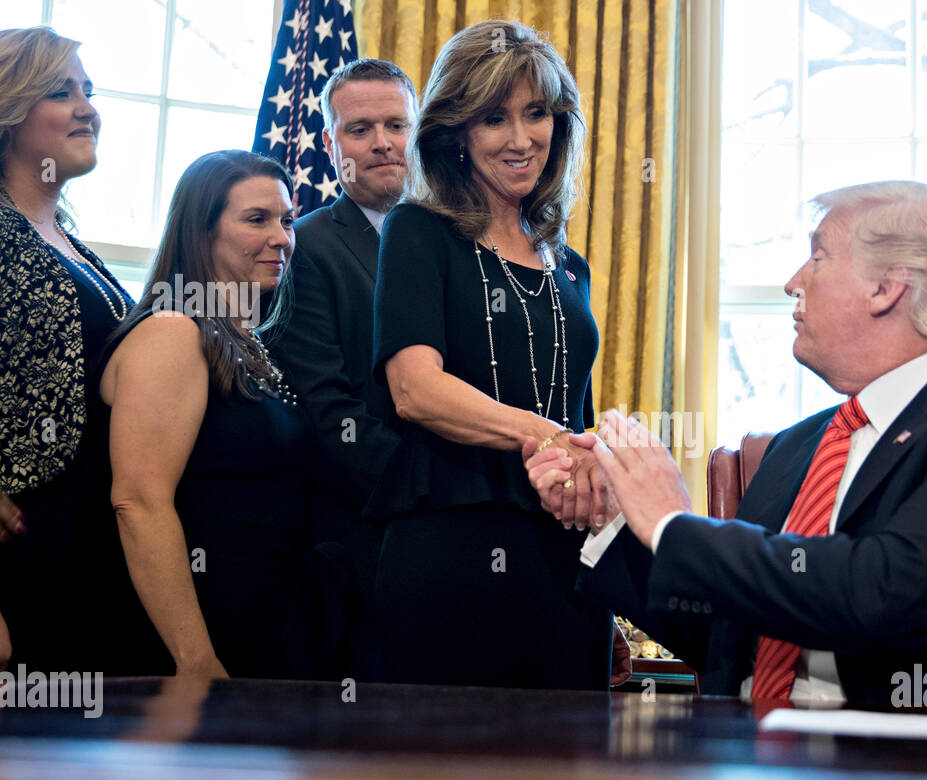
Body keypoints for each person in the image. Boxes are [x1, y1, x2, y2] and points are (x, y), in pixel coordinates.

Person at [531, 181, 927, 708]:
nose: (794, 281)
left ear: (887, 287)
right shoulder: (796, 446)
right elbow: (727, 637)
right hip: (750, 766)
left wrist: (672, 523)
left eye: (818, 257)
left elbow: (880, 593)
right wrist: (616, 515)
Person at [369, 20, 615, 690]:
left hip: (567, 564)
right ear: (456, 134)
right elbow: (415, 390)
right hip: (452, 552)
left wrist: (610, 557)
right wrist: (548, 437)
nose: (520, 138)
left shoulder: (573, 267)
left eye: (536, 113)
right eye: (493, 118)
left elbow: (579, 416)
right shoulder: (418, 231)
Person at [97, 149, 352, 679]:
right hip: (200, 634)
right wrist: (196, 660)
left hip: (268, 625)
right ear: (202, 230)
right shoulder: (173, 331)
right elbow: (139, 503)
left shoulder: (245, 341)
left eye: (286, 219)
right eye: (256, 220)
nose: (282, 237)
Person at [0, 26, 149, 673]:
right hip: (22, 546)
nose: (88, 107)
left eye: (90, 90)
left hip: (89, 545)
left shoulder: (72, 243)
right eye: (62, 92)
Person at [268, 58, 417, 682]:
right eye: (360, 129)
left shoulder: (461, 243)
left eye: (395, 125)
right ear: (331, 144)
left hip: (462, 552)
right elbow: (329, 417)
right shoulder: (305, 249)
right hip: (365, 547)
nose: (381, 142)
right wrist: (433, 495)